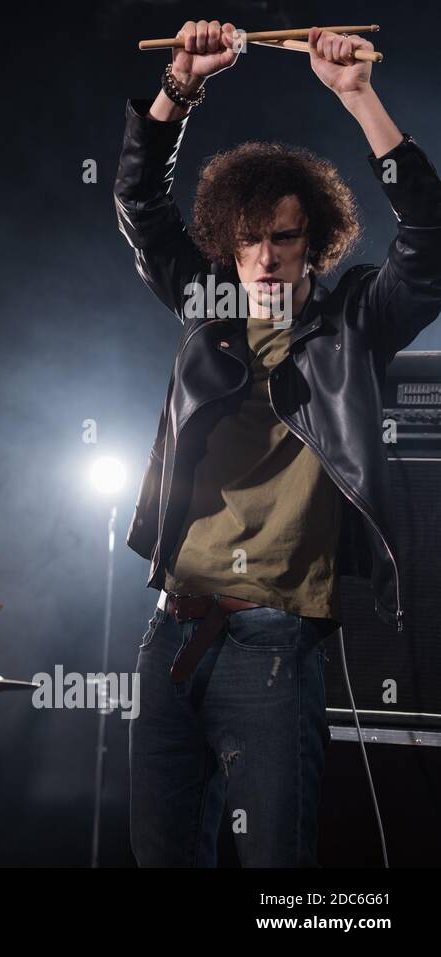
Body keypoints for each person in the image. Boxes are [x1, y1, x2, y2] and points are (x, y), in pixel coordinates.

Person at [115, 21, 441, 866]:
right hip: (171, 633)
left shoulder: (352, 322)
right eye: (251, 236)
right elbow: (139, 203)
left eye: (285, 237)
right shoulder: (205, 304)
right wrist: (179, 87)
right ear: (230, 239)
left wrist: (359, 98)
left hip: (274, 642)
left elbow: (432, 242)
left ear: (314, 242)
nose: (265, 255)